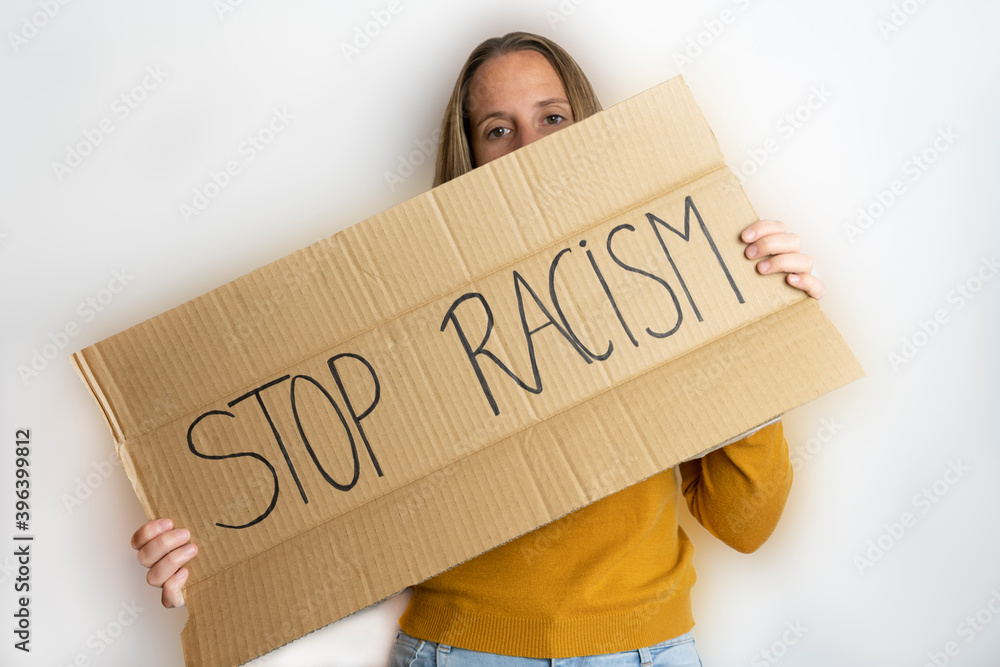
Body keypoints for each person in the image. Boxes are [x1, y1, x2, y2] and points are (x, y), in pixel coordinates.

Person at [131, 31, 825, 667]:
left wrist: (756, 328)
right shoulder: (405, 311)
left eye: (552, 117)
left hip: (644, 651)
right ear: (471, 155)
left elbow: (746, 524)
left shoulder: (668, 270)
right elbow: (334, 500)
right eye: (499, 129)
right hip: (457, 654)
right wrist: (208, 567)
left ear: (588, 124)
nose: (531, 146)